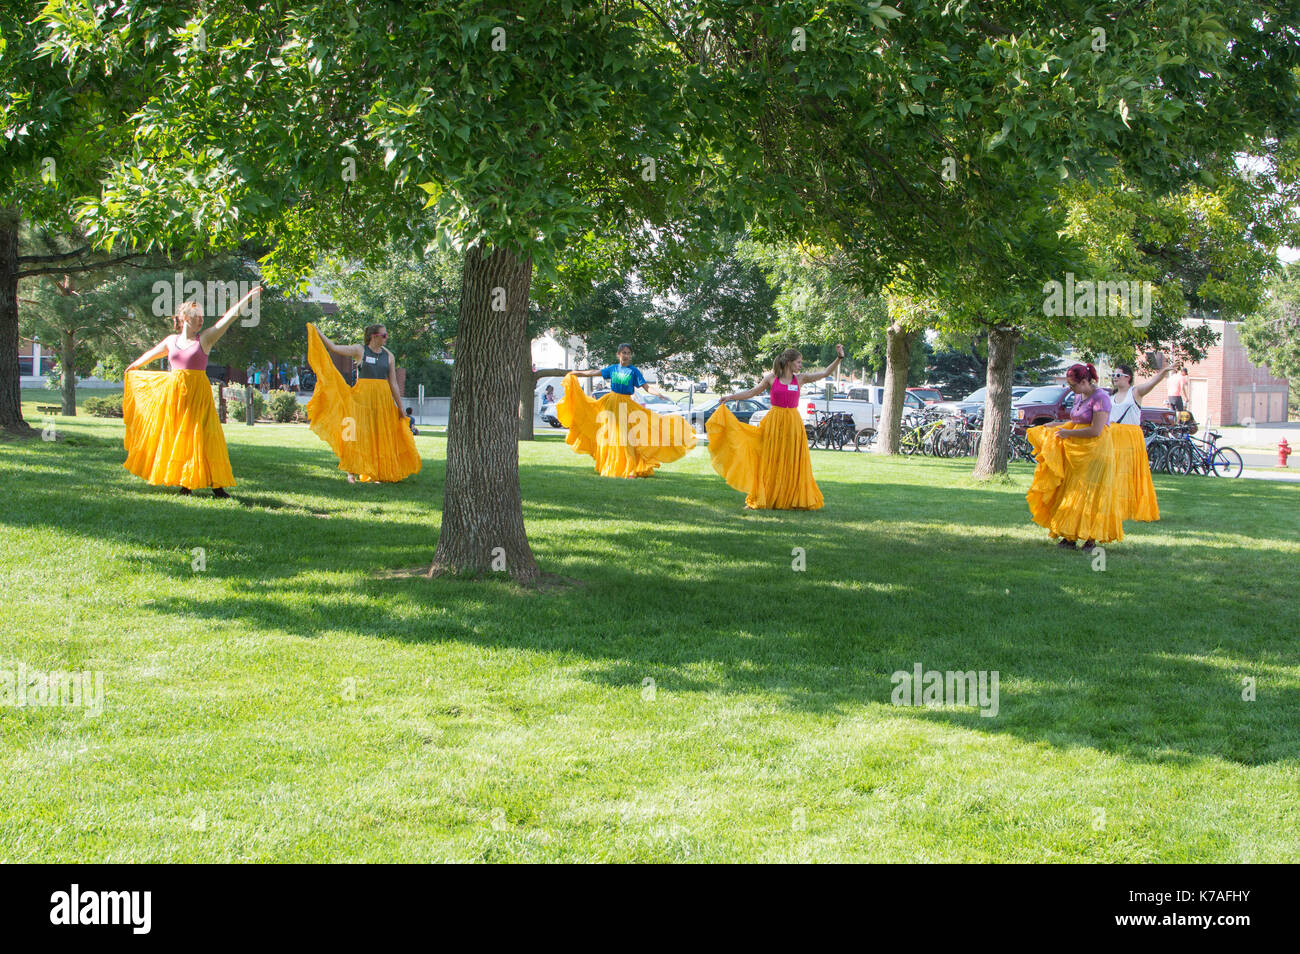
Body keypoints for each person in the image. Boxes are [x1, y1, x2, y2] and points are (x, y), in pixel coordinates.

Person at [122, 287, 262, 497]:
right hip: (176, 396)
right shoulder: (171, 341)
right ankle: (186, 484)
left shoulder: (204, 339)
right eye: (198, 317)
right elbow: (152, 353)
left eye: (202, 318)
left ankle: (218, 486)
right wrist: (133, 366)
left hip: (198, 396)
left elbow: (228, 318)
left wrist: (247, 299)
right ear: (185, 317)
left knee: (205, 436)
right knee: (182, 438)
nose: (201, 321)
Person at [705, 345, 843, 510]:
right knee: (769, 460)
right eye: (798, 362)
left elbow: (825, 373)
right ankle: (764, 497)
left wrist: (839, 358)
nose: (800, 365)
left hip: (793, 424)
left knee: (792, 461)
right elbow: (752, 392)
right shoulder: (771, 378)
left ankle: (791, 499)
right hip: (773, 423)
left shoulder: (800, 378)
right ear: (788, 362)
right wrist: (731, 397)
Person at [556, 343, 696, 477]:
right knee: (611, 436)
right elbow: (594, 372)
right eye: (624, 353)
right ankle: (610, 466)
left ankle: (629, 468)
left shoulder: (633, 371)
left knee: (626, 437)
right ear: (618, 354)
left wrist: (658, 394)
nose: (626, 355)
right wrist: (577, 373)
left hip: (626, 405)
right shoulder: (612, 369)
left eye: (628, 353)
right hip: (610, 403)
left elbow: (646, 387)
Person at [305, 323, 421, 483]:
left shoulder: (389, 356)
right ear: (374, 336)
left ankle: (376, 473)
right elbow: (333, 348)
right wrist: (318, 332)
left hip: (382, 400)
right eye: (384, 335)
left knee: (380, 434)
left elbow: (393, 383)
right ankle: (350, 472)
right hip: (361, 398)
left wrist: (400, 406)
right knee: (352, 432)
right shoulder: (360, 350)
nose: (387, 338)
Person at [1026, 362, 1123, 551]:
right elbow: (1077, 420)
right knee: (1072, 491)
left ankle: (1090, 537)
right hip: (1077, 452)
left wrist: (1068, 433)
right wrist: (1056, 425)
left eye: (1073, 385)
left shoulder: (1101, 398)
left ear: (1085, 381)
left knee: (1091, 493)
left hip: (1096, 452)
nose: (1071, 389)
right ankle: (1069, 535)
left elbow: (1096, 430)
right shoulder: (1079, 396)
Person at [1109, 358, 1169, 522]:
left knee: (1129, 470)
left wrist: (1162, 373)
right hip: (1113, 435)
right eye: (1113, 374)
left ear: (1127, 377)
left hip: (1129, 436)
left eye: (1118, 374)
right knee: (1113, 471)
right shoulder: (1111, 396)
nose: (1115, 377)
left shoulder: (1134, 392)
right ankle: (1115, 506)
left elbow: (1150, 384)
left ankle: (1132, 507)